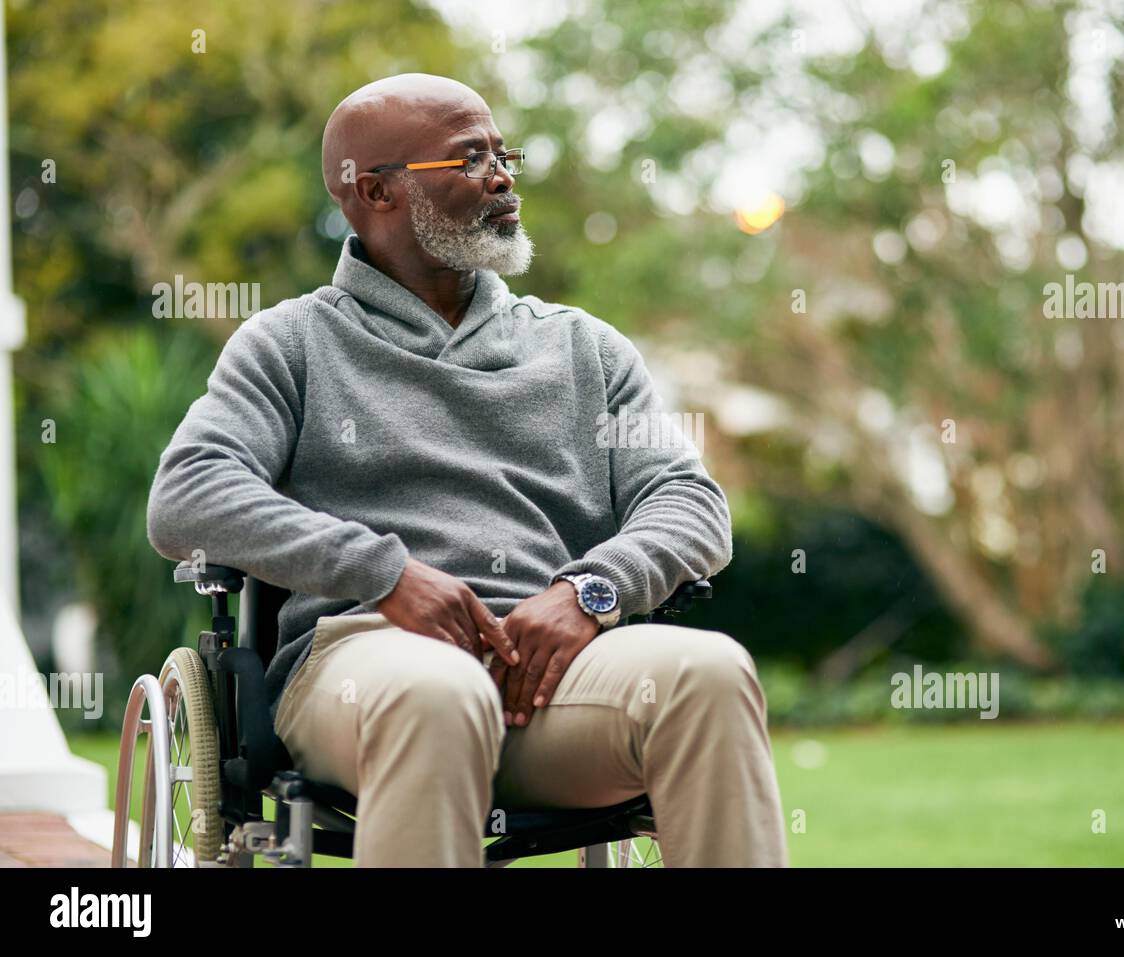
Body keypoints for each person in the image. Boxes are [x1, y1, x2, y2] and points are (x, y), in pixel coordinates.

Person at [145, 73, 788, 867]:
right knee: (437, 693)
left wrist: (589, 591)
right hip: (364, 664)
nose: (503, 175)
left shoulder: (582, 347)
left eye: (502, 152)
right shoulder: (291, 344)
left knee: (711, 672)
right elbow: (188, 493)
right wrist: (386, 572)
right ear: (374, 191)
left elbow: (689, 501)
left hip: (549, 675)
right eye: (470, 158)